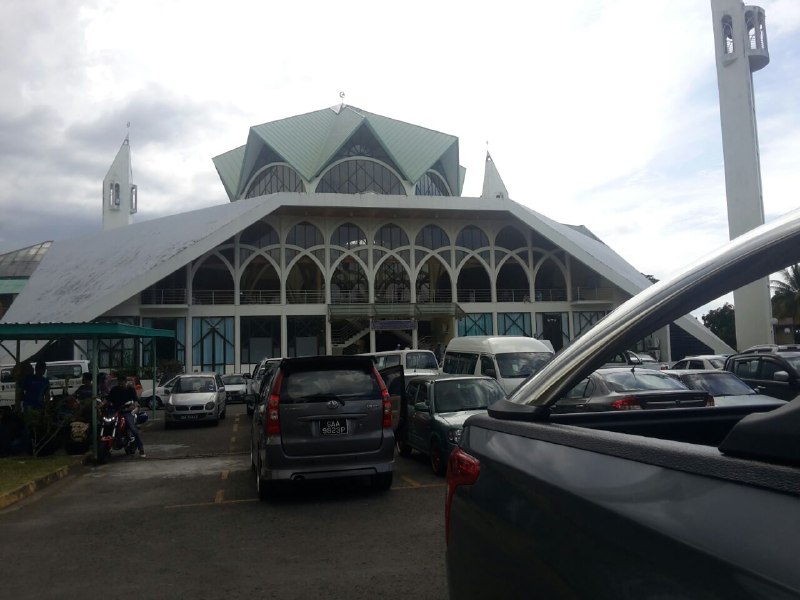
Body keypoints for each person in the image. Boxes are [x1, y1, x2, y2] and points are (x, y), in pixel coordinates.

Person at [105, 375, 146, 457]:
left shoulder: (130, 389)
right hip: (115, 412)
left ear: (125, 382)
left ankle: (141, 449)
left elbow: (136, 400)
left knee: (133, 428)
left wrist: (134, 405)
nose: (120, 384)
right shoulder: (114, 389)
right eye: (119, 382)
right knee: (106, 424)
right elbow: (108, 399)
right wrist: (101, 404)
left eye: (122, 382)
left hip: (126, 412)